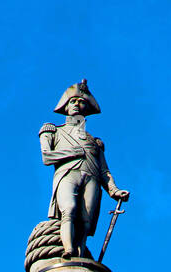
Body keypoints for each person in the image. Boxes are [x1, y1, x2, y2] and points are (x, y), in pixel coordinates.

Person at [39, 79, 130, 258]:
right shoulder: (52, 130)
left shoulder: (95, 142)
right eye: (73, 101)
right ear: (66, 105)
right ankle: (68, 250)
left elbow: (104, 171)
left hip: (92, 178)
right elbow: (47, 157)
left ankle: (80, 256)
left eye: (81, 102)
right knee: (69, 210)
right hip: (67, 174)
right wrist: (72, 152)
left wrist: (114, 190)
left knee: (86, 221)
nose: (77, 105)